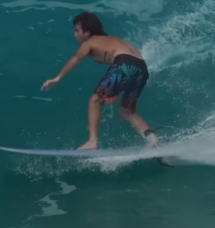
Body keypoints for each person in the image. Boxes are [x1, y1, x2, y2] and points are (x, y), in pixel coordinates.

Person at [41, 12, 160, 151]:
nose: (75, 35)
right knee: (127, 112)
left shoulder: (90, 42)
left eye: (77, 31)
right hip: (141, 68)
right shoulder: (112, 39)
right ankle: (153, 139)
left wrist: (58, 77)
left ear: (87, 32)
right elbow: (133, 59)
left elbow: (76, 59)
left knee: (95, 101)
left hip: (123, 64)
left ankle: (92, 141)